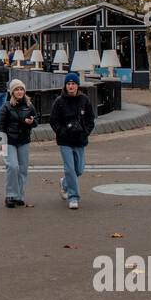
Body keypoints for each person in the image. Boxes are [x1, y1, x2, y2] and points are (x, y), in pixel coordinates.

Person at [49, 73, 94, 209]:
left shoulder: (84, 100)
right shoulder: (59, 101)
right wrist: (61, 131)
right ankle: (73, 197)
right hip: (65, 140)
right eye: (68, 84)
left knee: (79, 169)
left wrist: (86, 131)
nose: (71, 86)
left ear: (77, 85)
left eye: (73, 84)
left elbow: (90, 119)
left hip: (80, 139)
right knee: (69, 168)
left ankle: (64, 183)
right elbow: (53, 120)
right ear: (65, 85)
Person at [0, 78, 37, 208]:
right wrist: (0, 145)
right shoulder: (6, 106)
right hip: (9, 141)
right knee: (13, 166)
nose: (19, 92)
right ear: (12, 92)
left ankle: (19, 195)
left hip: (23, 140)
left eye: (21, 89)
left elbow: (36, 121)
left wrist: (32, 123)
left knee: (23, 169)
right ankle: (10, 195)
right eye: (16, 90)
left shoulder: (29, 106)